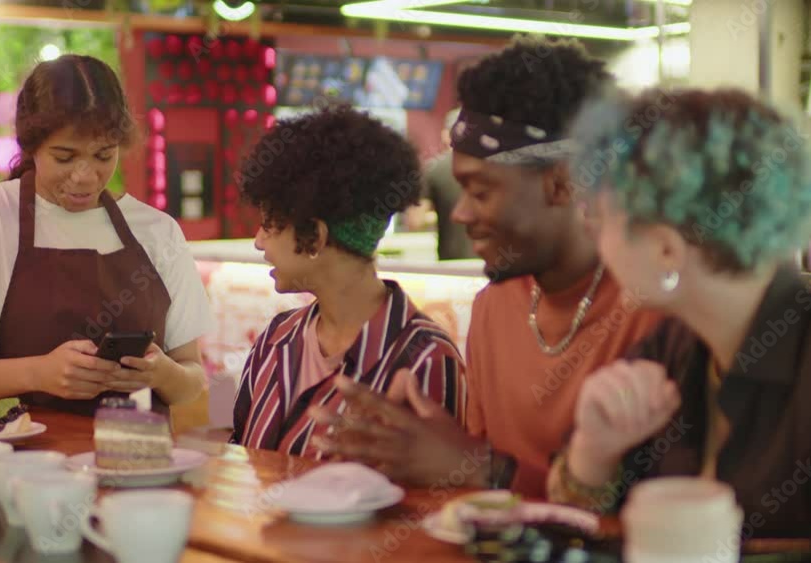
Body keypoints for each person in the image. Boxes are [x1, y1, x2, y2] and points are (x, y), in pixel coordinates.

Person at [310, 37, 663, 495]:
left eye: (481, 191)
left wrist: (478, 466)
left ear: (562, 184)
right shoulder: (494, 308)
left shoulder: (652, 315)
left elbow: (655, 522)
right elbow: (486, 500)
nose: (461, 214)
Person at [546, 88, 811, 535]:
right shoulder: (675, 346)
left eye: (604, 219)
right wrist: (595, 450)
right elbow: (572, 510)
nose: (596, 237)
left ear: (667, 249)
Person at [0, 55, 213, 417]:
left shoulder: (158, 231)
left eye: (103, 155)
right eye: (65, 157)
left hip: (138, 465)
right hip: (17, 463)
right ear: (32, 147)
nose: (85, 176)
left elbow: (192, 379)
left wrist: (162, 374)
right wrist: (37, 373)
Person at [230, 104, 467, 457]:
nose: (259, 241)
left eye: (269, 223)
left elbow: (437, 498)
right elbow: (238, 451)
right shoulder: (275, 339)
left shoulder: (426, 359)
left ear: (316, 235)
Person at [404, 108, 476, 261]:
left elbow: (415, 221)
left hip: (450, 266)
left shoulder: (433, 169)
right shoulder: (492, 168)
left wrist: (439, 213)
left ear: (446, 135)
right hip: (488, 263)